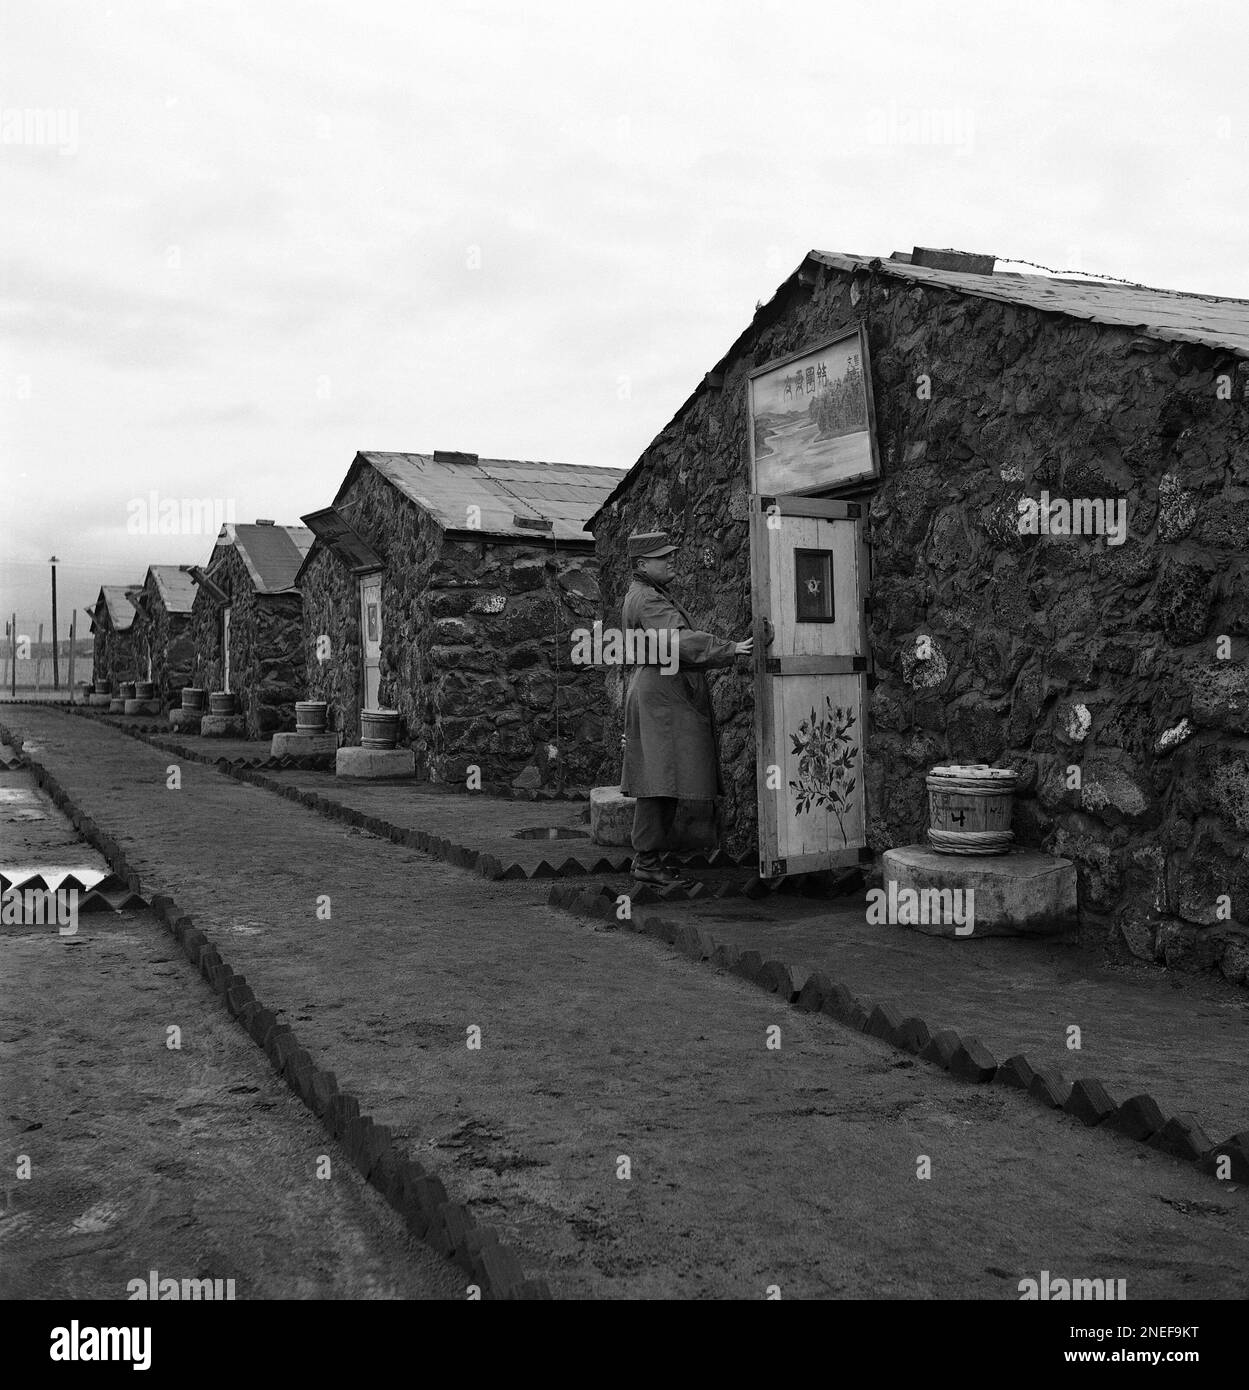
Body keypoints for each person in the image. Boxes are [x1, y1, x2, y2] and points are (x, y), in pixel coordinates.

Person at [620, 530, 754, 886]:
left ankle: (649, 858)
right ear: (642, 565)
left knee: (663, 777)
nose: (671, 560)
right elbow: (675, 641)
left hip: (660, 690)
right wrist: (729, 649)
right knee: (659, 780)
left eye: (669, 555)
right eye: (663, 557)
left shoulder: (648, 595)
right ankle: (647, 860)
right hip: (660, 694)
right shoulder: (648, 600)